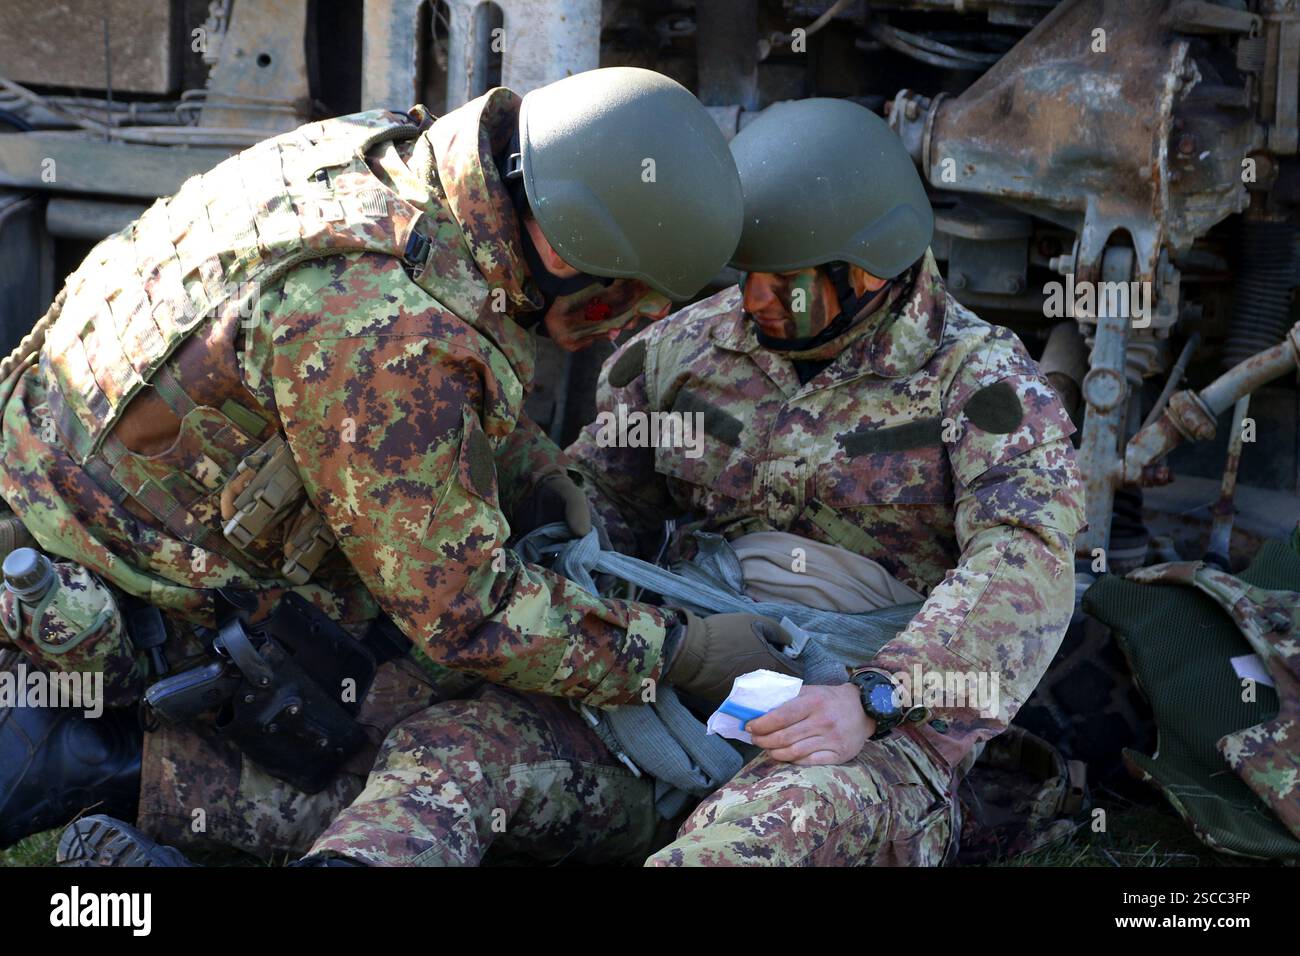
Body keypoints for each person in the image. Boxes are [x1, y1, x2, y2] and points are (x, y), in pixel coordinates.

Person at [142, 96, 1079, 867]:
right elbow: (603, 501)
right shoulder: (685, 355)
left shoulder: (983, 388)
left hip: (859, 732)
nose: (752, 302)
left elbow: (1024, 571)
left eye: (786, 285)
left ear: (869, 269)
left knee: (764, 837)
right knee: (452, 755)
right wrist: (574, 548)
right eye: (745, 275)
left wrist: (873, 699)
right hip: (674, 682)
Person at [0, 67, 780, 859]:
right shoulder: (395, 325)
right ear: (562, 237)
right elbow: (468, 617)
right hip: (120, 577)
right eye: (614, 304)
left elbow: (423, 403)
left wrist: (537, 477)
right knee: (439, 739)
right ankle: (114, 764)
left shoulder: (395, 158)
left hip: (59, 476)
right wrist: (682, 651)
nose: (618, 333)